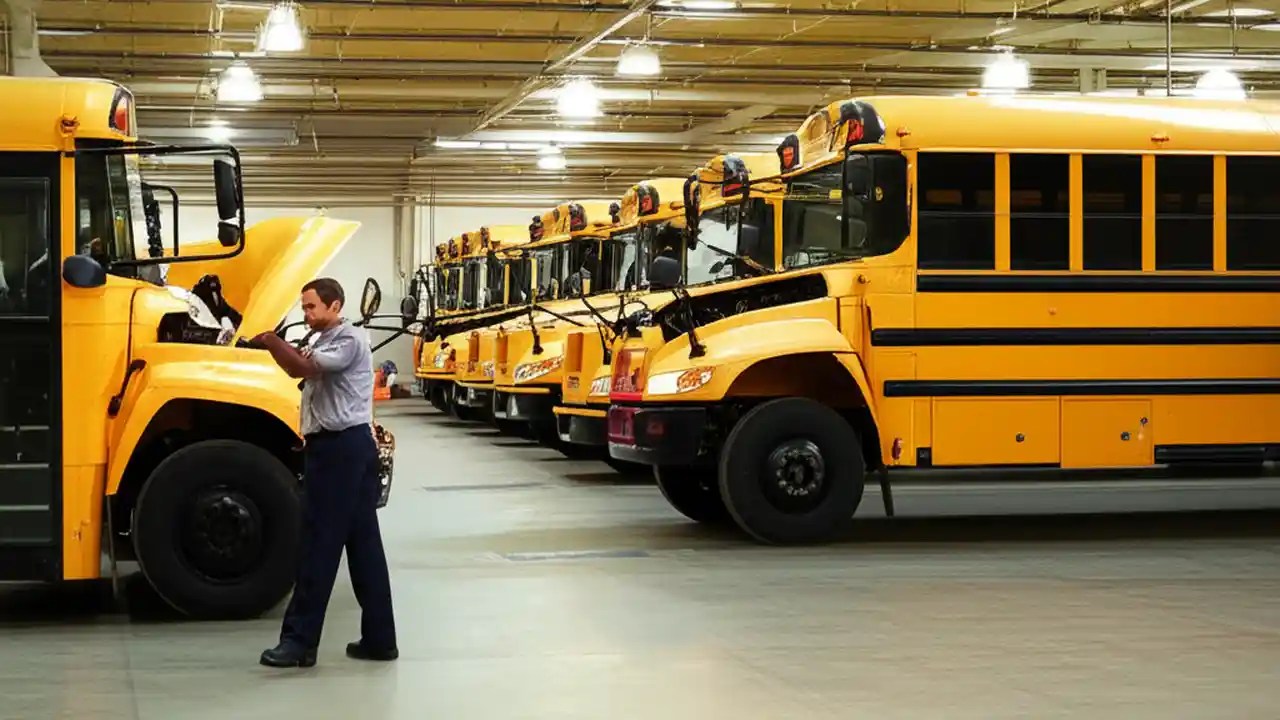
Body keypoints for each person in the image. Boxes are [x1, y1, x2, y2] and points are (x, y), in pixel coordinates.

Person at [253, 278, 398, 668]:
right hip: (340, 448)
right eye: (304, 307)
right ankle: (380, 639)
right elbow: (307, 381)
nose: (307, 314)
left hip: (342, 454)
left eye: (312, 307)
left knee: (319, 544)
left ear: (335, 306)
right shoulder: (323, 338)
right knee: (364, 547)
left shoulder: (347, 340)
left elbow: (303, 368)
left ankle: (299, 642)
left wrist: (269, 339)